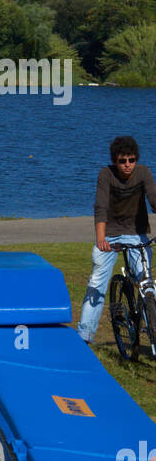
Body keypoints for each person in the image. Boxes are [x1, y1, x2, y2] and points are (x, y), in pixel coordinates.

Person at [77, 136, 156, 343]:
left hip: (136, 232)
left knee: (146, 281)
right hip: (110, 234)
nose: (127, 165)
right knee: (97, 285)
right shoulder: (106, 175)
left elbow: (153, 198)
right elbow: (100, 207)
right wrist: (101, 239)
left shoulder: (144, 173)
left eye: (131, 160)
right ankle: (85, 336)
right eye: (122, 161)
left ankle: (151, 328)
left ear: (136, 159)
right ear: (115, 161)